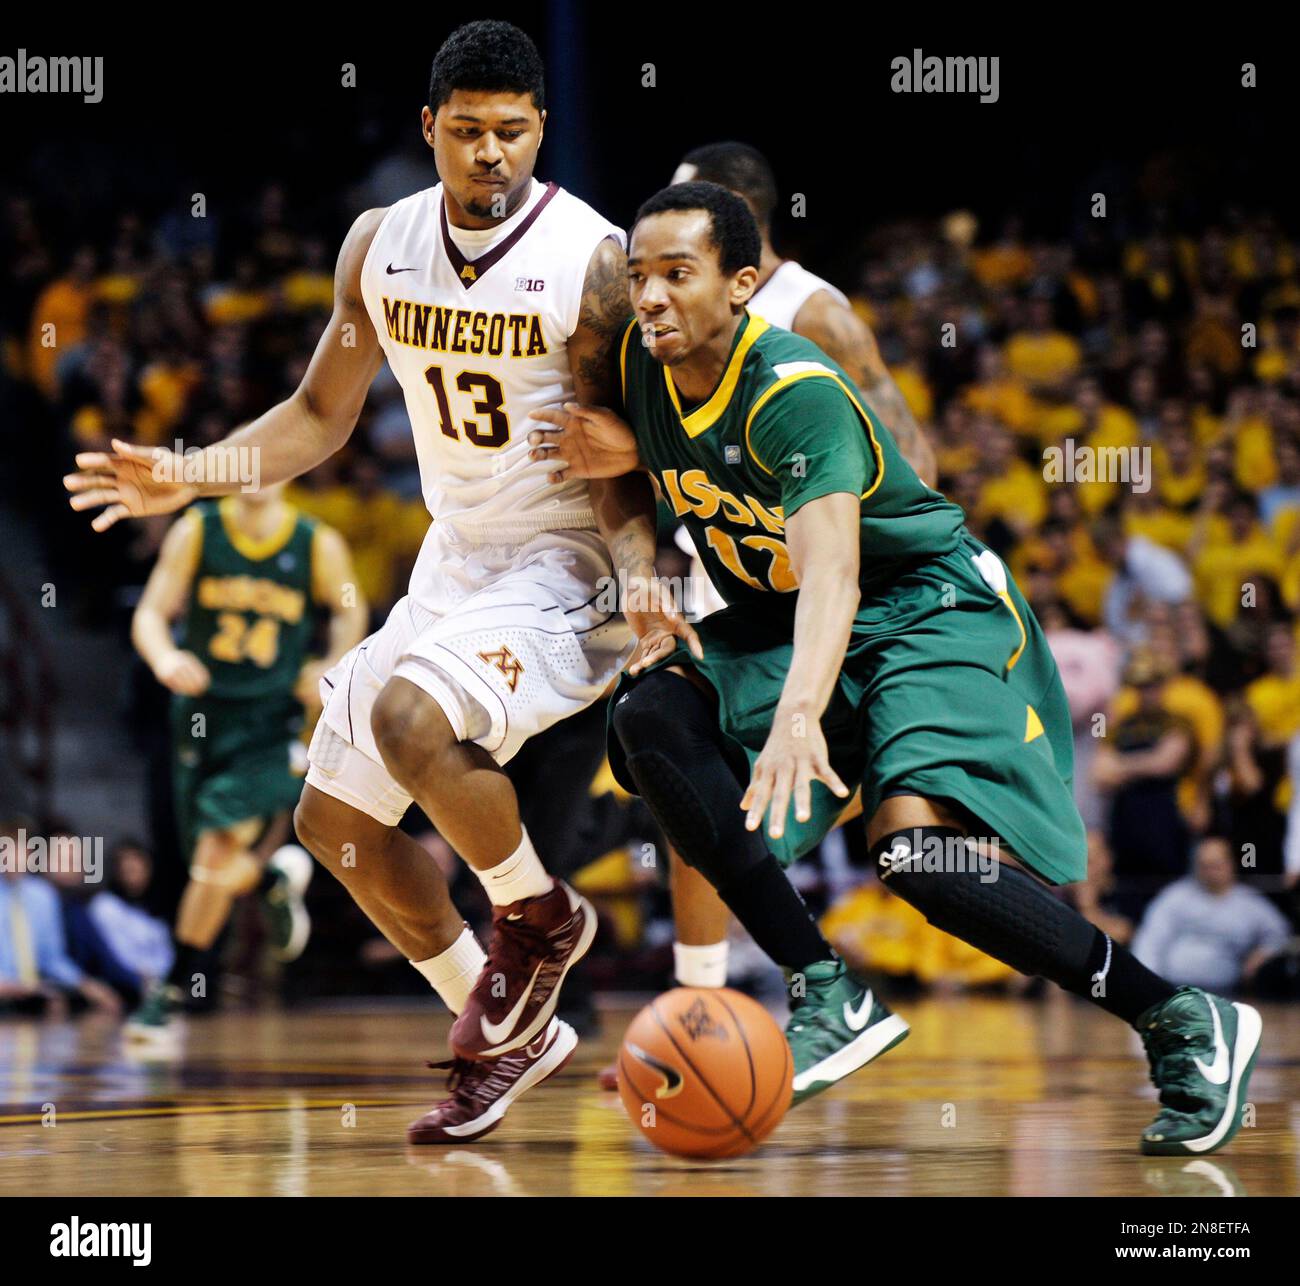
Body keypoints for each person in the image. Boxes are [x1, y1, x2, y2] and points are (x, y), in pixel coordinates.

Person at [531, 181, 1263, 1154]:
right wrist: (638, 573)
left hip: (922, 607)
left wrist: (799, 712)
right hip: (782, 615)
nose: (652, 295)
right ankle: (825, 987)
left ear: (742, 283)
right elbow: (615, 474)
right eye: (640, 275)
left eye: (678, 274)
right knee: (649, 714)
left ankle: (1176, 1014)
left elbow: (836, 572)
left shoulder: (795, 395)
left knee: (913, 852)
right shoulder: (636, 357)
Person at [65, 20, 670, 1143]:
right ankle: (506, 1038)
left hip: (566, 560)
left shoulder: (590, 256)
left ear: (541, 129)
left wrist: (647, 580)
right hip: (457, 560)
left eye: (516, 131)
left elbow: (649, 437)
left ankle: (539, 917)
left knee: (406, 715)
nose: (493, 152)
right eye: (470, 131)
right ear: (429, 128)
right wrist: (190, 478)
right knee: (334, 823)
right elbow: (314, 416)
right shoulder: (378, 244)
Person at [644, 142, 937, 1017]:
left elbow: (912, 451)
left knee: (749, 778)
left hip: (807, 582)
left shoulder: (815, 315)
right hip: (717, 568)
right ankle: (699, 1002)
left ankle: (811, 976)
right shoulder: (666, 316)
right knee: (674, 775)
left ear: (733, 213)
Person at [124, 482, 366, 1038]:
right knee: (204, 865)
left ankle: (167, 992)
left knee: (214, 849)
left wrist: (332, 662)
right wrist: (166, 657)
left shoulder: (316, 542)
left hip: (270, 718)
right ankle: (268, 880)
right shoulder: (198, 529)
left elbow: (351, 610)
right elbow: (151, 614)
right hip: (202, 714)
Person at [1133, 837, 1292, 993]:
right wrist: (1149, 987)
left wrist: (1263, 954)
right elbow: (1150, 940)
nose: (1209, 872)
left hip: (1227, 992)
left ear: (1231, 864)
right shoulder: (1175, 897)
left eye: (1215, 865)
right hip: (1174, 990)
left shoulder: (1250, 903)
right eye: (1204, 866)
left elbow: (1281, 935)